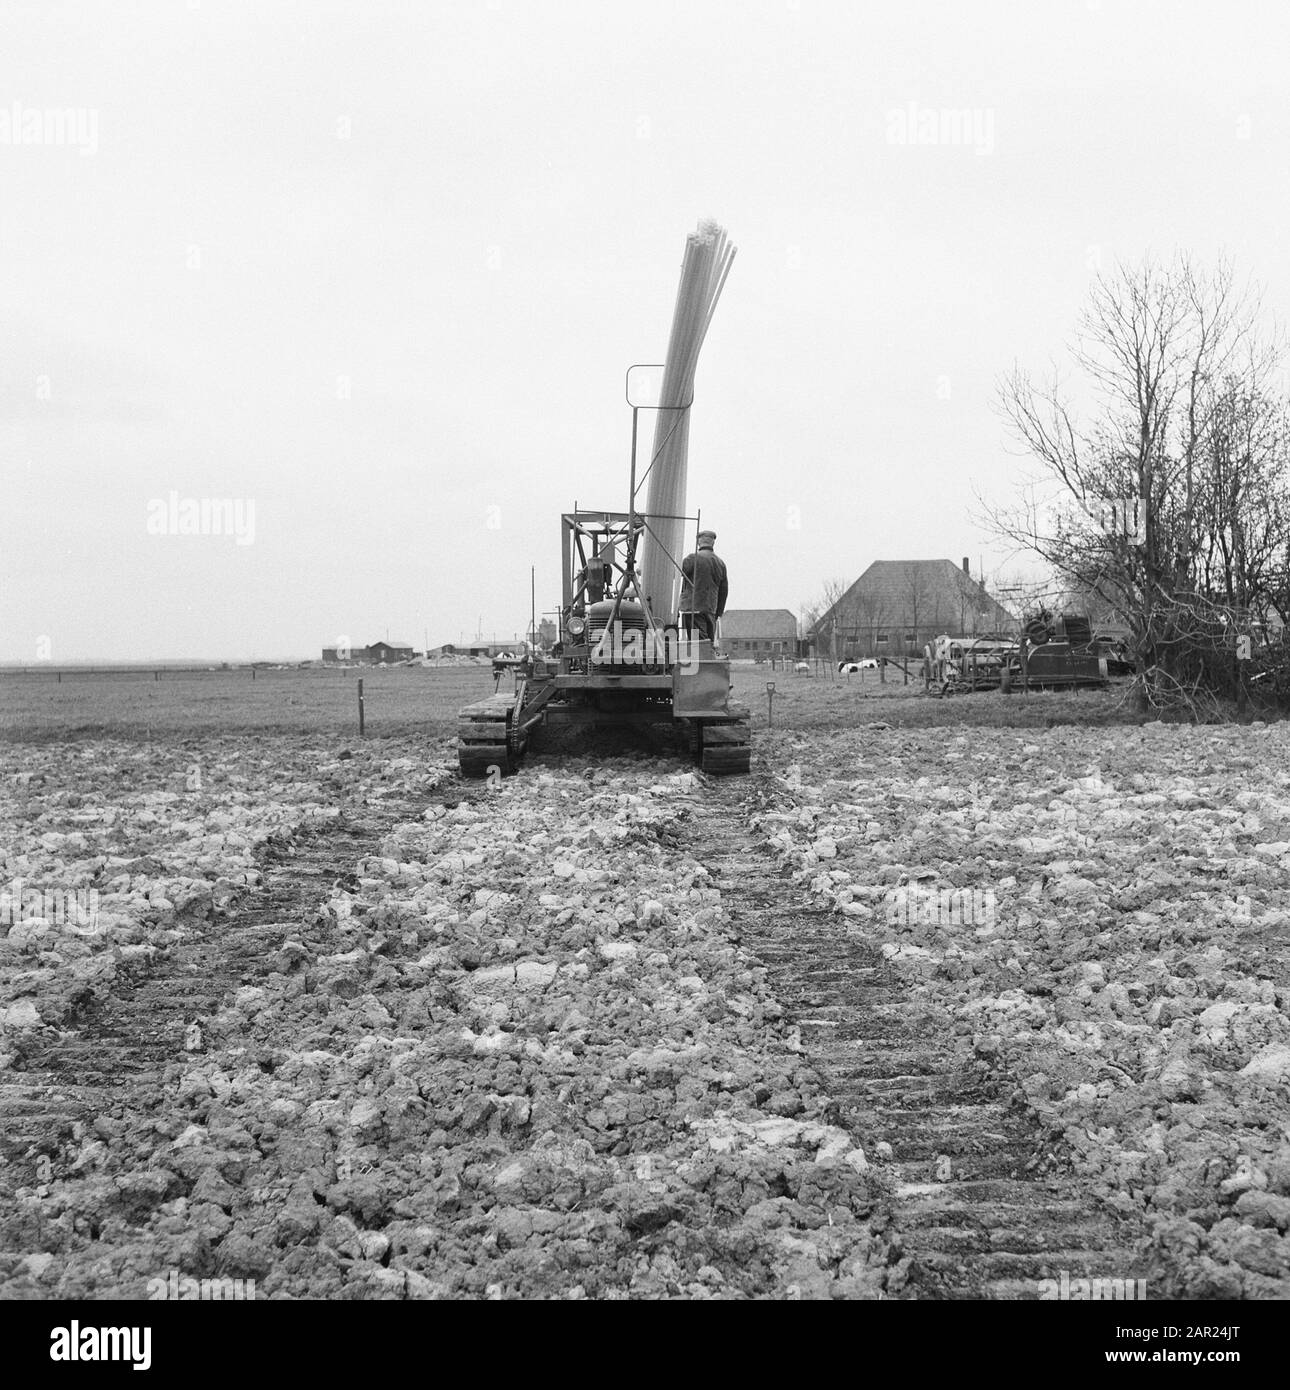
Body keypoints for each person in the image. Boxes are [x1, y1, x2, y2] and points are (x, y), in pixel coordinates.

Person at [679, 529, 728, 645]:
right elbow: (724, 591)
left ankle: (701, 663)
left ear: (698, 543)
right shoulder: (720, 563)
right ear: (712, 543)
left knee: (699, 645)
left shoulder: (692, 558)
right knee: (708, 642)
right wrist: (718, 612)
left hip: (693, 609)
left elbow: (675, 573)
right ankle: (708, 661)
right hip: (711, 609)